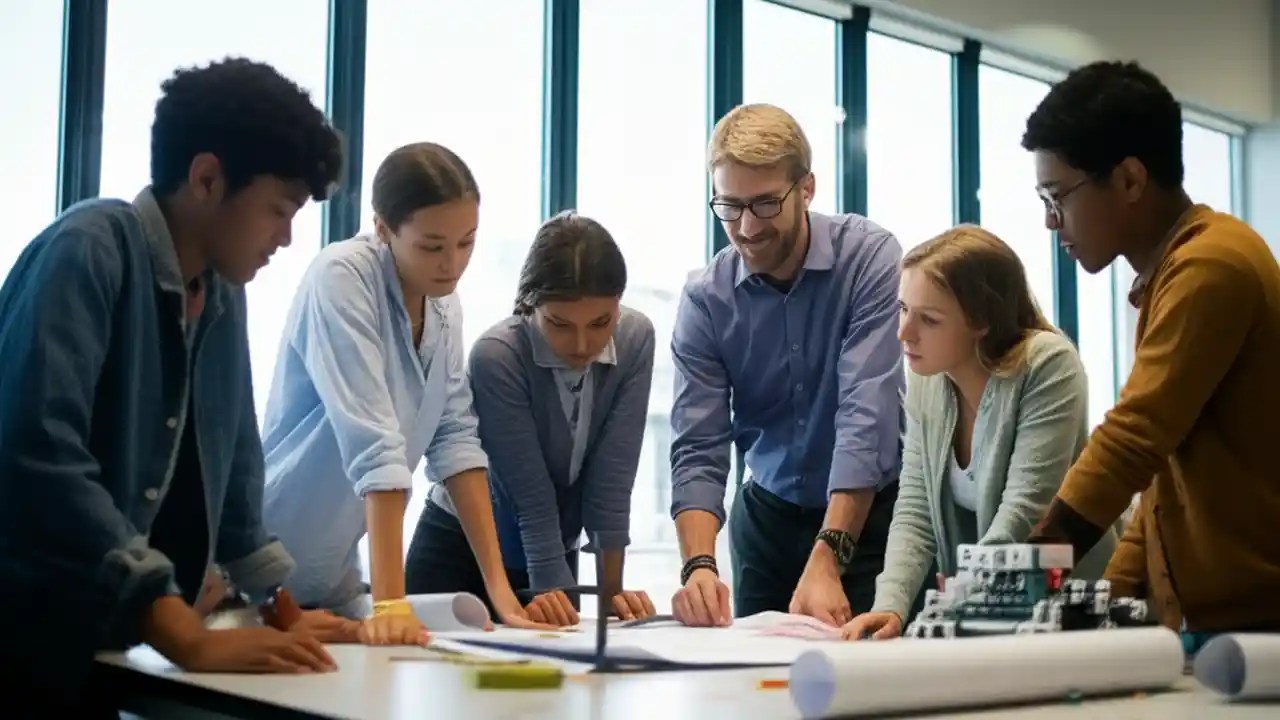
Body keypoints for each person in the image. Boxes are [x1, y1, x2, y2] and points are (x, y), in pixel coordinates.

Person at [0, 57, 349, 708]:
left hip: (103, 647)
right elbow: (37, 458)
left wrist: (282, 609)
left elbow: (238, 474)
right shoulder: (88, 249)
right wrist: (183, 633)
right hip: (28, 641)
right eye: (278, 209)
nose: (287, 236)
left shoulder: (219, 291)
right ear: (208, 178)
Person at [261, 142, 561, 646]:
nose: (452, 264)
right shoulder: (341, 277)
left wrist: (500, 589)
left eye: (467, 243)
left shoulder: (444, 305)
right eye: (432, 245)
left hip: (332, 579)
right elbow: (375, 447)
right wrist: (390, 604)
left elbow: (456, 441)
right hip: (259, 570)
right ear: (382, 228)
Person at [1021, 61, 1280, 636]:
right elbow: (1162, 480)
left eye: (1057, 195)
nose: (1049, 220)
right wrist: (1109, 599)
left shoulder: (1210, 266)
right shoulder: (1174, 272)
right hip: (1208, 624)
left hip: (1258, 628)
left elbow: (1133, 440)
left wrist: (1025, 576)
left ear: (1131, 180)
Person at [669, 103, 907, 628]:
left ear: (807, 188)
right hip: (767, 522)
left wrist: (828, 557)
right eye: (729, 207)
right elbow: (699, 444)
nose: (747, 228)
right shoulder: (706, 301)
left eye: (765, 204)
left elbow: (866, 417)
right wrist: (699, 566)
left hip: (868, 521)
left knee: (866, 688)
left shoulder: (869, 259)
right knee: (762, 690)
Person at [841, 226, 1120, 641]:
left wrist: (956, 598)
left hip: (1071, 614)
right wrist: (890, 606)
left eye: (929, 319)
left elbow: (1024, 509)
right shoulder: (927, 377)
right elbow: (915, 510)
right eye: (902, 309)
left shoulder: (1047, 365)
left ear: (982, 322)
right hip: (988, 609)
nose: (904, 333)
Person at [405, 211, 658, 624]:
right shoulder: (497, 356)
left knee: (556, 675)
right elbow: (530, 500)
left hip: (554, 549)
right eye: (559, 324)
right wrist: (554, 592)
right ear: (528, 306)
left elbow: (613, 481)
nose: (581, 344)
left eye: (600, 323)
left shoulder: (635, 338)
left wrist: (613, 597)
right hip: (459, 553)